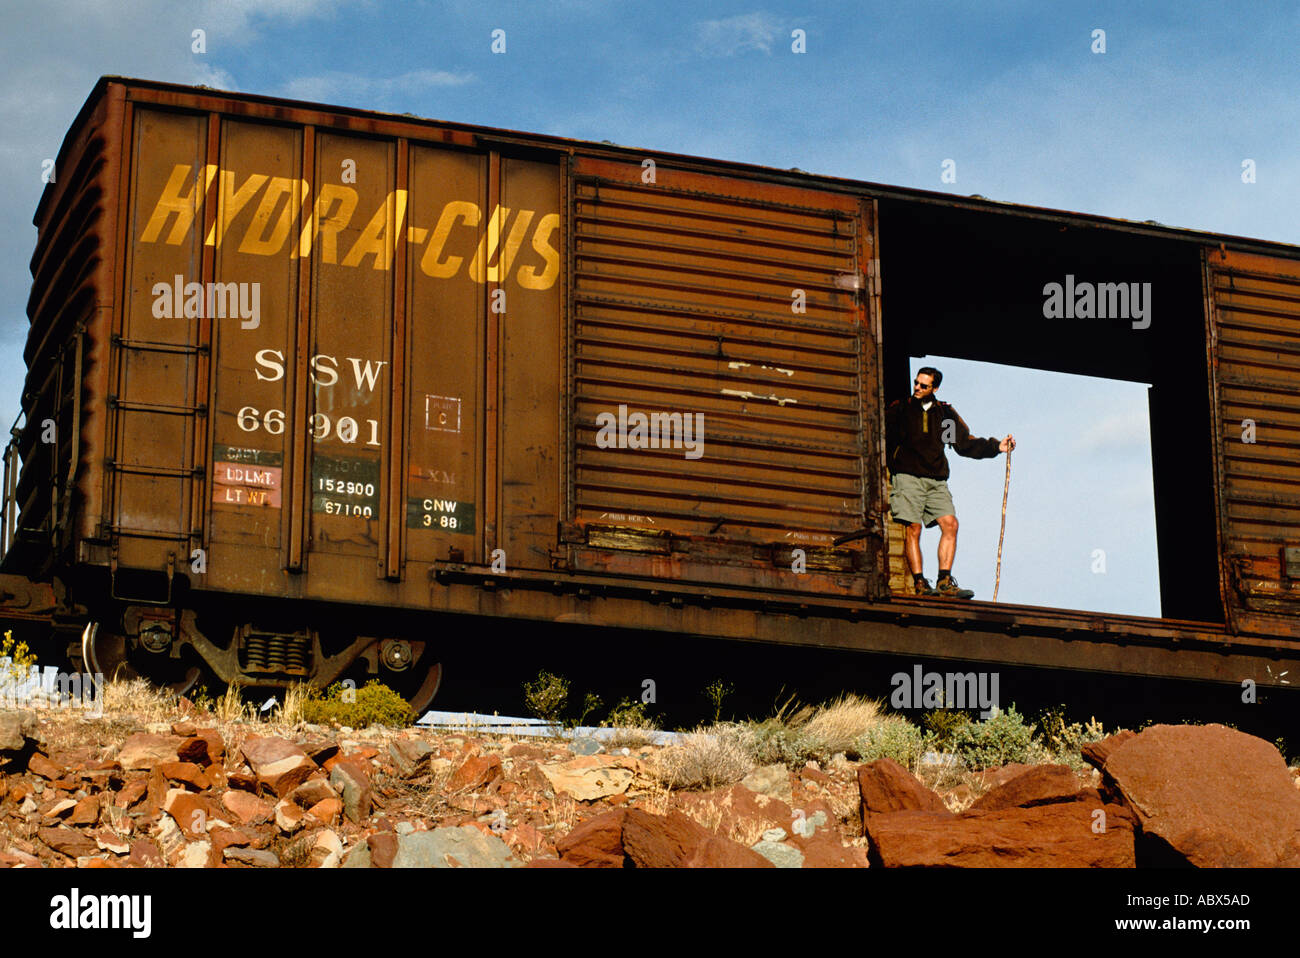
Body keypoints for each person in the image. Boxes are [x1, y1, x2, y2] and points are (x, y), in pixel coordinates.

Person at [884, 367, 1015, 599]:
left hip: (936, 480)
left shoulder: (943, 414)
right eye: (916, 383)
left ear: (934, 388)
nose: (917, 388)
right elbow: (884, 437)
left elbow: (963, 444)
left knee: (950, 524)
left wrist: (997, 447)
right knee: (913, 528)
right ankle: (920, 583)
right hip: (908, 476)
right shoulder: (900, 409)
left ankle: (944, 581)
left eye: (923, 386)